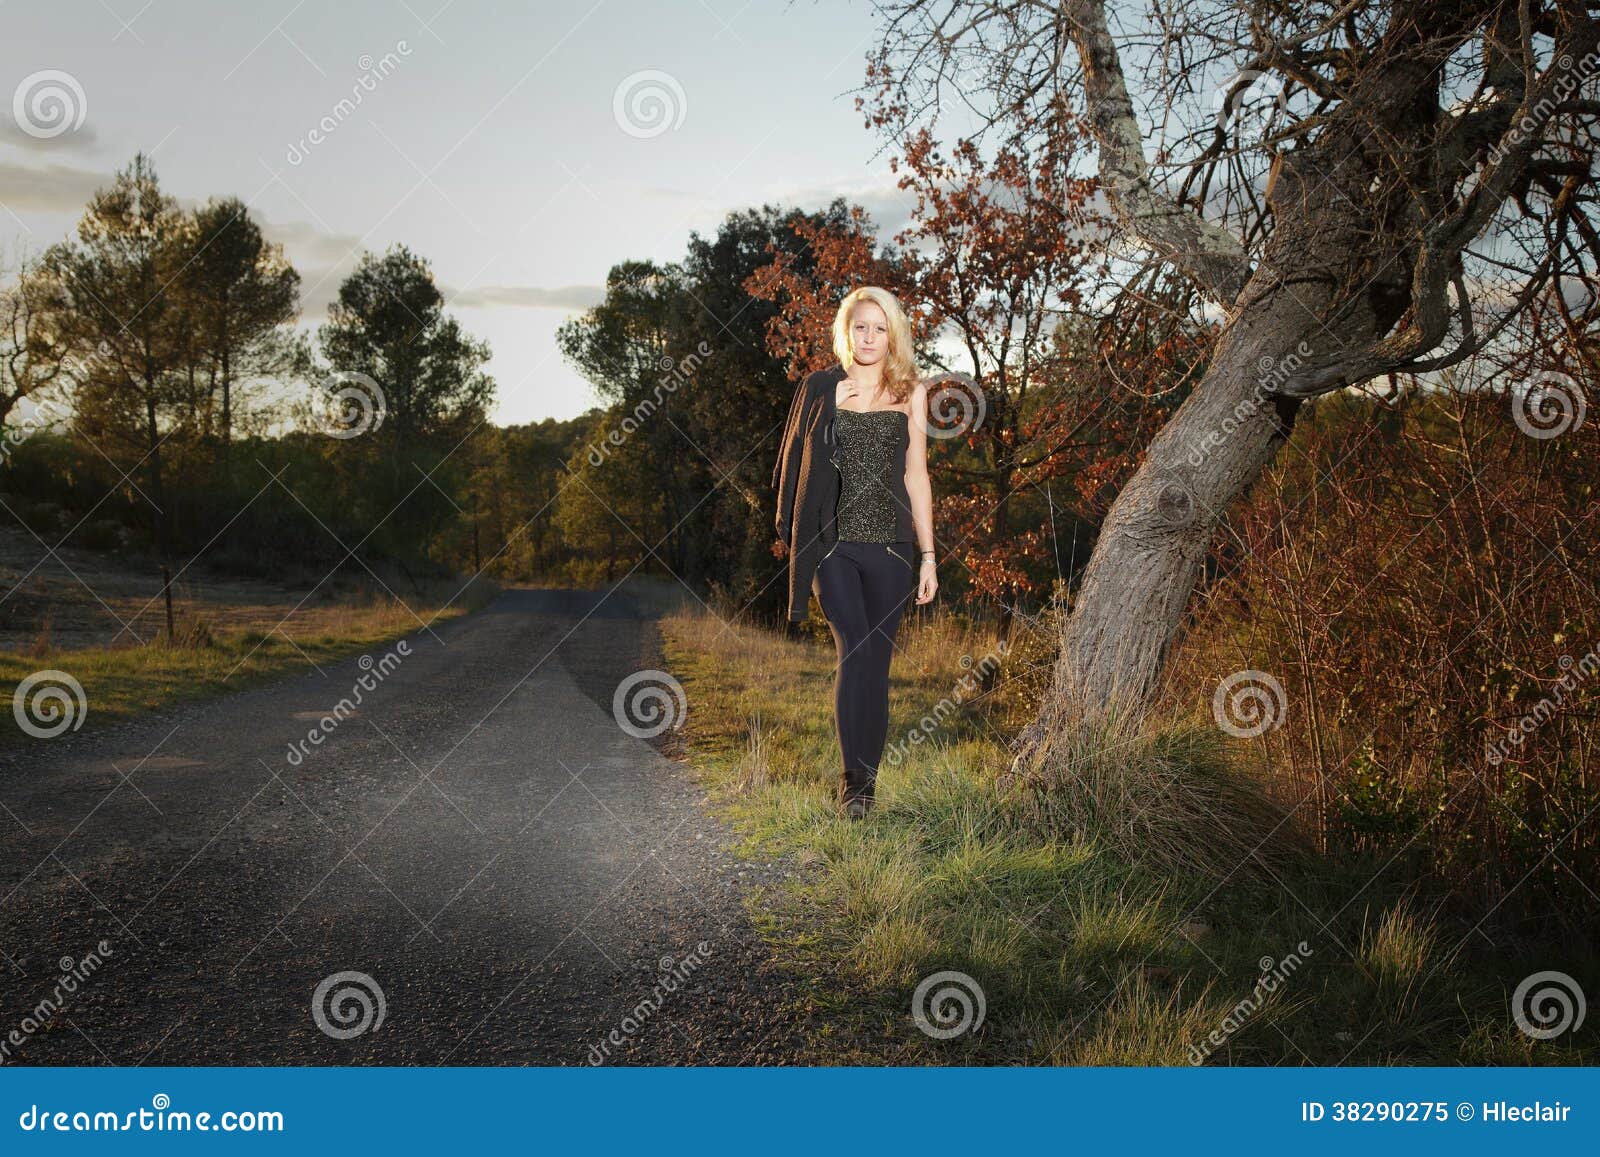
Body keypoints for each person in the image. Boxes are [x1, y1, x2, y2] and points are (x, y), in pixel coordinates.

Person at [772, 286, 938, 819]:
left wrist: (929, 555)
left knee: (877, 662)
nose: (869, 337)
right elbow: (794, 465)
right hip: (831, 546)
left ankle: (868, 783)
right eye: (860, 326)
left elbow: (917, 476)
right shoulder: (822, 388)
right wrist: (795, 532)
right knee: (855, 646)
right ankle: (853, 786)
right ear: (847, 331)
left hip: (891, 548)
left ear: (894, 334)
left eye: (879, 327)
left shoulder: (912, 392)